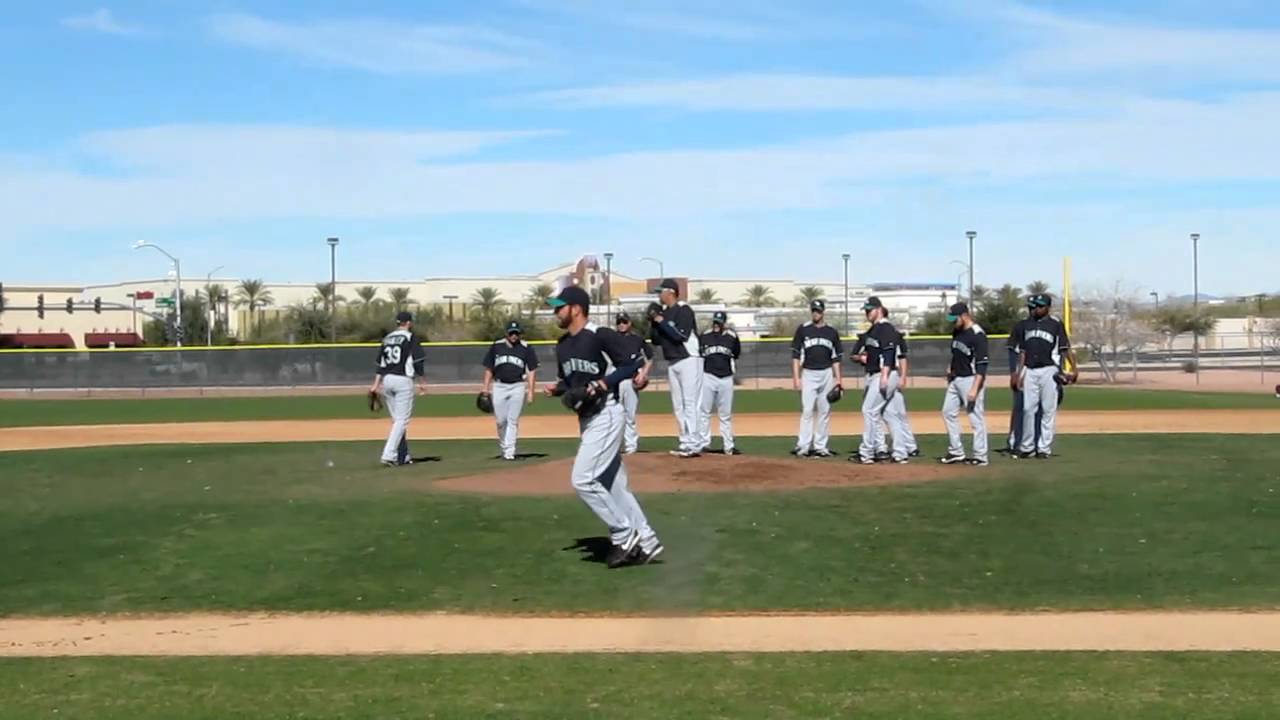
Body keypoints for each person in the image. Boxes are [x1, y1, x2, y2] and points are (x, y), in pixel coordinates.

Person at [545, 286, 663, 568]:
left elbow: (633, 363)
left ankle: (624, 534)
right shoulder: (563, 345)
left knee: (583, 479)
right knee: (613, 485)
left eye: (560, 307)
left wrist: (603, 383)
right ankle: (647, 540)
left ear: (576, 308)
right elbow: (572, 381)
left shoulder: (599, 335)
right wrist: (558, 388)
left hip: (607, 413)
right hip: (587, 419)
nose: (556, 312)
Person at [1013, 293, 1078, 459]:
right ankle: (1027, 446)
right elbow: (1022, 351)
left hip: (1050, 370)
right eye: (1035, 306)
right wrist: (1019, 373)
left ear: (1048, 307)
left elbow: (1065, 348)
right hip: (1030, 370)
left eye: (1041, 306)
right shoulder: (1026, 324)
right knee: (1028, 409)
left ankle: (1044, 448)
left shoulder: (1055, 324)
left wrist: (1074, 368)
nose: (1037, 309)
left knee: (1048, 410)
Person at [853, 297, 911, 464]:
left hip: (884, 374)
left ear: (879, 309)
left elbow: (889, 352)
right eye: (866, 310)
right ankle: (900, 453)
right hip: (877, 373)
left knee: (869, 411)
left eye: (870, 310)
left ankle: (866, 453)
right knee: (889, 414)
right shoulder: (873, 329)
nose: (867, 313)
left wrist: (884, 376)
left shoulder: (886, 328)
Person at [648, 278, 702, 458]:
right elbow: (656, 340)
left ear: (670, 292)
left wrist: (660, 320)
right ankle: (684, 441)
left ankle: (694, 443)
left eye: (661, 291)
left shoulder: (684, 310)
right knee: (678, 405)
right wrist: (653, 322)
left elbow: (680, 335)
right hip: (673, 361)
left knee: (690, 402)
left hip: (689, 358)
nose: (659, 295)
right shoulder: (665, 313)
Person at [370, 311, 427, 467]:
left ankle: (403, 456)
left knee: (397, 421)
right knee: (401, 421)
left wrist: (375, 385)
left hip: (387, 380)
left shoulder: (387, 338)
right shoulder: (410, 337)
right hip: (403, 380)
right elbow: (418, 361)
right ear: (408, 323)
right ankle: (388, 455)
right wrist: (422, 381)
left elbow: (380, 364)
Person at [791, 299, 843, 458]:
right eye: (813, 310)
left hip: (826, 373)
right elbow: (795, 356)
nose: (815, 313)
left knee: (824, 411)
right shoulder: (803, 329)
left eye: (818, 311)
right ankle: (803, 446)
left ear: (823, 312)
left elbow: (836, 358)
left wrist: (838, 380)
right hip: (809, 373)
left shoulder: (831, 332)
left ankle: (821, 446)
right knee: (807, 411)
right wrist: (796, 378)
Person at [481, 320, 539, 461]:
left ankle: (509, 452)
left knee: (513, 420)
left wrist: (531, 391)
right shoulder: (497, 346)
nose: (514, 336)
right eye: (511, 333)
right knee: (500, 421)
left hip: (518, 386)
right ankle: (504, 446)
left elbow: (532, 371)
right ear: (506, 333)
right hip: (499, 386)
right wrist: (485, 388)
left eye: (516, 333)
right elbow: (489, 368)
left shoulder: (526, 348)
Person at [939, 303, 990, 466]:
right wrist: (950, 367)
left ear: (965, 316)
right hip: (956, 379)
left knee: (975, 418)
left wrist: (975, 388)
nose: (953, 322)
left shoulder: (977, 334)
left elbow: (982, 365)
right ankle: (956, 452)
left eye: (955, 319)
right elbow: (956, 353)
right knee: (948, 412)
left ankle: (980, 456)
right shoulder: (957, 331)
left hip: (971, 379)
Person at [697, 310, 742, 455]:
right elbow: (699, 354)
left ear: (724, 324)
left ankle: (728, 446)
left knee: (725, 414)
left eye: (719, 323)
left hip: (726, 378)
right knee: (705, 412)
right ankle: (704, 443)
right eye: (715, 322)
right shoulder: (705, 336)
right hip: (708, 376)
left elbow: (736, 354)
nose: (717, 325)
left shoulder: (732, 336)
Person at [613, 313, 654, 454]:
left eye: (624, 322)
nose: (621, 324)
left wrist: (643, 374)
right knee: (615, 416)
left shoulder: (637, 339)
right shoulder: (611, 339)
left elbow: (650, 357)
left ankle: (631, 446)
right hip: (615, 381)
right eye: (619, 322)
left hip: (631, 381)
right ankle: (614, 447)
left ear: (629, 323)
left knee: (630, 416)